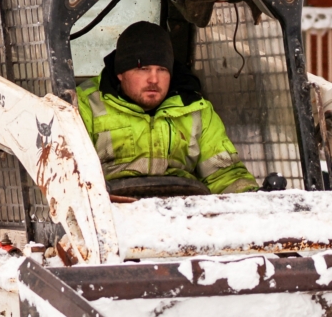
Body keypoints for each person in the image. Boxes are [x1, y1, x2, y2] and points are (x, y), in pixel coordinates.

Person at [77, 21, 259, 194]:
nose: (154, 79)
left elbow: (224, 174)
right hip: (110, 210)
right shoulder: (84, 107)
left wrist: (250, 198)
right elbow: (72, 177)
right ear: (120, 73)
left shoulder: (195, 108)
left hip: (182, 209)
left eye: (162, 70)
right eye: (143, 69)